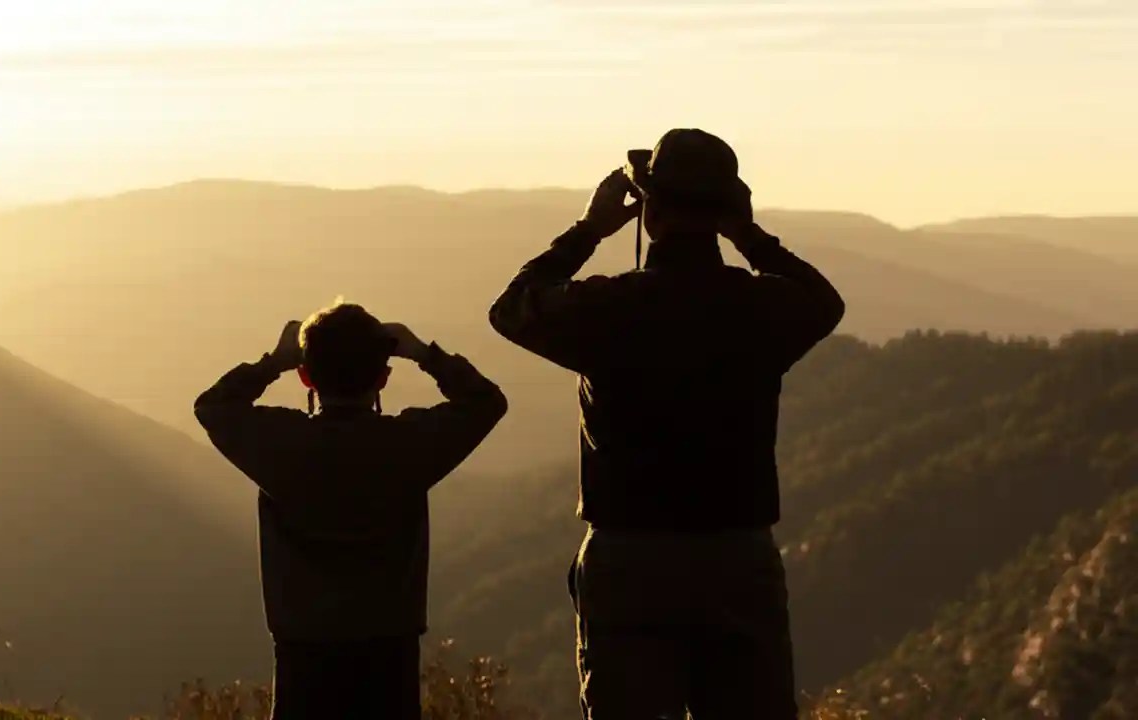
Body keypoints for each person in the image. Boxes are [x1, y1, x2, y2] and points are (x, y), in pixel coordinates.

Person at [489, 128, 845, 719]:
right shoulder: (761, 307)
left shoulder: (611, 307)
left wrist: (588, 230)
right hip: (737, 551)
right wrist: (749, 236)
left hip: (630, 554)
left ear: (648, 213)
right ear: (727, 210)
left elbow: (511, 308)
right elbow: (824, 301)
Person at [195, 300, 508, 720]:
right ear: (382, 377)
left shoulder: (281, 443)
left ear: (306, 375)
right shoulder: (407, 445)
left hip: (302, 658)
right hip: (389, 659)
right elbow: (485, 402)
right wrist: (423, 353)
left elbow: (213, 407)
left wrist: (274, 362)